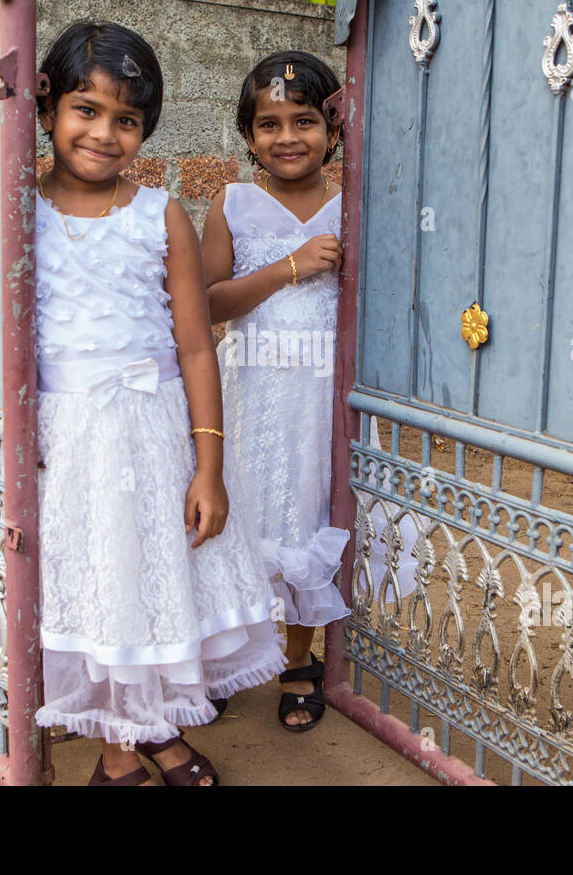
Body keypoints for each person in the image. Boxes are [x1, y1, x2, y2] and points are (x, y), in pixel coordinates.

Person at [31, 21, 285, 785]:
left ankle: (153, 731)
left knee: (155, 579)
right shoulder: (16, 209)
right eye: (86, 109)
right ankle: (124, 748)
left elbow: (198, 345)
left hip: (155, 429)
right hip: (69, 437)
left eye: (128, 120)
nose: (105, 134)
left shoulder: (159, 214)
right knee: (102, 580)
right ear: (47, 108)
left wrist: (209, 466)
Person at [202, 51, 351, 732]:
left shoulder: (353, 206)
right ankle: (227, 655)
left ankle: (299, 660)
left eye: (304, 122)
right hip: (251, 393)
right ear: (247, 133)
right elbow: (209, 303)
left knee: (305, 518)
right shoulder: (231, 203)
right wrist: (291, 266)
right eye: (268, 124)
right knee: (243, 523)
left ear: (333, 131)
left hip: (320, 400)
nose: (287, 137)